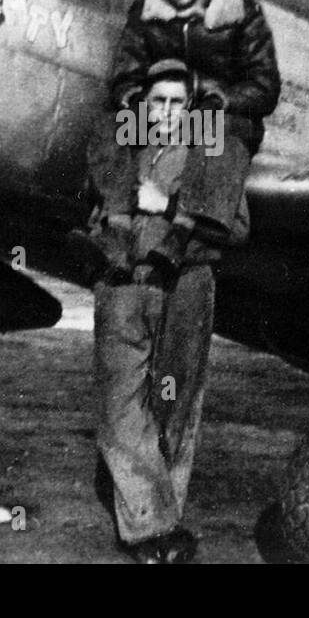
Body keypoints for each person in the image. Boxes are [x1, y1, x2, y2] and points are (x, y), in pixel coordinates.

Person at [90, 59, 226, 563]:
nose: (166, 111)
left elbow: (233, 228)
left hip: (184, 287)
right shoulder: (126, 151)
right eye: (158, 101)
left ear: (190, 108)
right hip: (125, 288)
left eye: (176, 102)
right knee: (117, 406)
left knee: (174, 407)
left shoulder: (207, 156)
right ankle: (158, 526)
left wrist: (167, 206)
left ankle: (153, 537)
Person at [84, 0, 281, 278]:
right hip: (165, 114)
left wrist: (223, 99)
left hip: (214, 114)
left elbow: (264, 86)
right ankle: (115, 229)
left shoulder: (243, 12)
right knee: (112, 125)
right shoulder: (144, 16)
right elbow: (124, 76)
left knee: (222, 132)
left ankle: (181, 234)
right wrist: (135, 101)